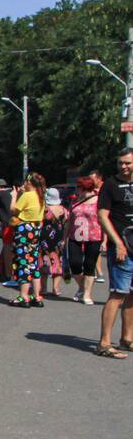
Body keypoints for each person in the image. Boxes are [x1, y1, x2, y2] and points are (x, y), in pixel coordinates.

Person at [95, 148, 133, 358]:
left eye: (127, 163)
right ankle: (104, 343)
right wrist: (117, 242)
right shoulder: (110, 185)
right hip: (121, 248)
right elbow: (102, 216)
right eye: (121, 163)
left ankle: (127, 338)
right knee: (118, 293)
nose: (124, 166)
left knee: (132, 293)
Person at [8, 172, 46, 307]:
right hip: (36, 229)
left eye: (26, 181)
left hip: (24, 229)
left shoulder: (27, 195)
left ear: (31, 183)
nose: (24, 184)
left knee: (23, 261)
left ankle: (23, 296)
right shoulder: (41, 196)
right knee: (33, 262)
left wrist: (14, 196)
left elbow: (14, 210)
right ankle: (37, 296)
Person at [66, 175, 102, 305]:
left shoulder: (99, 201)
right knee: (74, 264)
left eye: (79, 187)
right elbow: (69, 221)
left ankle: (87, 293)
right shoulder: (75, 201)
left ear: (84, 188)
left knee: (89, 265)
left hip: (94, 236)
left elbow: (104, 220)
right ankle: (82, 286)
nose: (76, 190)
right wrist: (64, 238)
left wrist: (104, 241)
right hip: (75, 236)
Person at [40, 187, 69, 297]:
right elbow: (67, 224)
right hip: (59, 239)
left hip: (44, 240)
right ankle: (56, 289)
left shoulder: (44, 210)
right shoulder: (64, 210)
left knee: (44, 263)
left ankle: (43, 288)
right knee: (58, 263)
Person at [0, 178, 16, 284]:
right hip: (17, 222)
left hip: (7, 224)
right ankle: (4, 271)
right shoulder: (12, 193)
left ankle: (8, 274)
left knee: (7, 248)